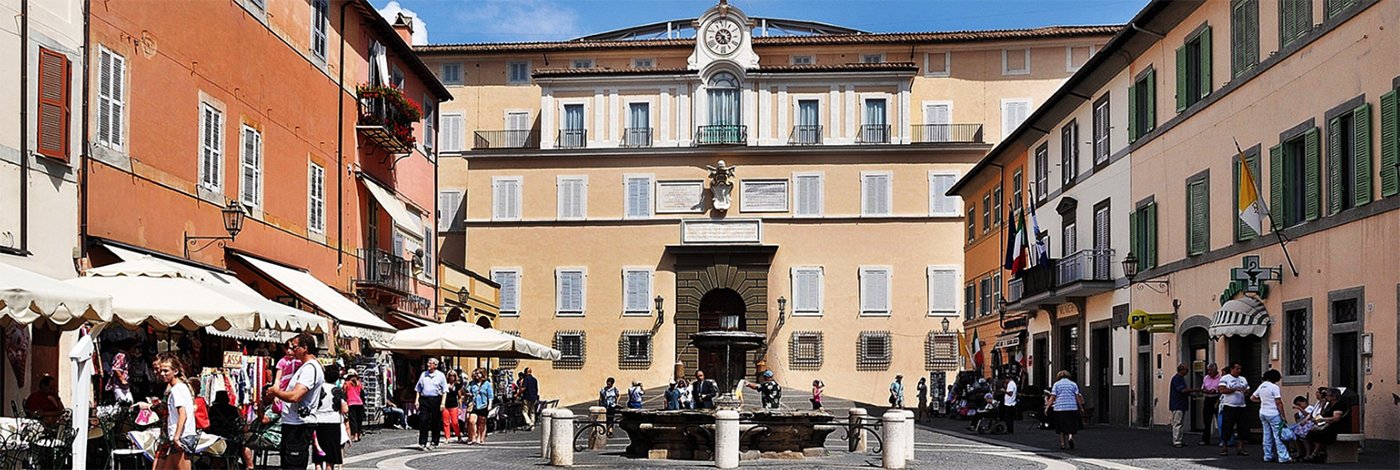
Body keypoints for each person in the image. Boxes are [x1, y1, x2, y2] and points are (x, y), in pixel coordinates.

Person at [268, 332, 324, 470]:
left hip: (298, 426)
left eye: (294, 347)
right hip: (294, 423)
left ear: (305, 348)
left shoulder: (309, 368)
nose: (292, 350)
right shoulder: (306, 367)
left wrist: (276, 392)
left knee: (293, 464)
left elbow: (295, 396)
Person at [153, 353, 197, 470]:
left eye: (166, 371)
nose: (162, 374)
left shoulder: (177, 389)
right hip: (180, 436)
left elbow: (183, 414)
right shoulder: (180, 387)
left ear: (175, 371)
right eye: (161, 371)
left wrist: (177, 437)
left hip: (182, 436)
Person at [1250, 369, 1291, 463]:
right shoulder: (1274, 387)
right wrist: (1283, 415)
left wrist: (1262, 401)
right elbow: (1278, 402)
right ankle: (1283, 457)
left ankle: (1268, 455)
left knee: (1267, 435)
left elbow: (1252, 398)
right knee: (1278, 435)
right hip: (1273, 413)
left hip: (1263, 412)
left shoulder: (1261, 386)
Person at [1301, 387, 1352, 462]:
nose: (1326, 397)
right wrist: (1322, 406)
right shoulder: (1329, 405)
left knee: (1321, 433)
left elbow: (1336, 418)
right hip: (1328, 424)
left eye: (1327, 395)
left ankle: (1315, 454)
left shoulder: (1340, 405)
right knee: (1311, 433)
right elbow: (1322, 414)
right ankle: (1315, 453)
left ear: (1333, 397)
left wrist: (1323, 419)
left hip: (1338, 426)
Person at [311, 364, 346, 470]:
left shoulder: (318, 389)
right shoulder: (338, 390)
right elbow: (345, 409)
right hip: (333, 421)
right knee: (331, 455)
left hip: (318, 420)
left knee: (318, 451)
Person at [1216, 362, 1250, 456]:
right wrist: (1234, 389)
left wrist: (1246, 392)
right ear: (1232, 369)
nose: (1239, 371)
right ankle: (1224, 448)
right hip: (1229, 406)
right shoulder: (1225, 378)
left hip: (1241, 406)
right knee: (1227, 427)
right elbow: (1222, 390)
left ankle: (1241, 448)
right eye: (1237, 369)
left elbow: (1248, 389)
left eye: (1240, 369)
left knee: (1242, 427)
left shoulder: (1243, 379)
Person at [414, 358, 447, 451]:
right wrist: (416, 400)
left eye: (430, 363)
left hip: (436, 400)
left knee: (435, 421)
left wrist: (443, 403)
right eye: (428, 362)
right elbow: (418, 389)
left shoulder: (440, 375)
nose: (428, 364)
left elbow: (444, 391)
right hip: (424, 400)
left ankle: (434, 441)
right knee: (423, 420)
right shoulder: (423, 374)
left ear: (435, 365)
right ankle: (422, 442)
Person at [1049, 370, 1083, 450]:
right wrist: (1081, 407)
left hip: (1059, 408)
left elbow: (1053, 397)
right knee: (1071, 424)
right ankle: (1070, 437)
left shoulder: (1056, 384)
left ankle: (1062, 444)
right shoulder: (1073, 384)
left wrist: (1047, 407)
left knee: (1061, 427)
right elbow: (1077, 397)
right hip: (1072, 407)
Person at [466, 368, 493, 445]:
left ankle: (480, 438)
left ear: (483, 374)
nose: (477, 375)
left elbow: (490, 396)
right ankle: (473, 437)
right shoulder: (472, 383)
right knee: (472, 421)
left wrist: (490, 404)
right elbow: (467, 391)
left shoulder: (487, 384)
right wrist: (468, 394)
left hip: (483, 405)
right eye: (476, 373)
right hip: (474, 405)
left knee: (481, 423)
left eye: (478, 373)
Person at [1197, 363, 1221, 446]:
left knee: (1220, 420)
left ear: (1215, 370)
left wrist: (1216, 390)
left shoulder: (1221, 378)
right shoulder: (1206, 378)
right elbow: (1202, 388)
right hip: (1207, 399)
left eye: (1211, 370)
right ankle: (1205, 440)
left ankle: (1223, 440)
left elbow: (1222, 389)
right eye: (1208, 370)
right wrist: (1205, 390)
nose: (1209, 372)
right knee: (1207, 421)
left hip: (1217, 399)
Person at [1169, 364, 1190, 447]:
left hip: (1180, 404)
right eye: (1186, 370)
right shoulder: (1177, 379)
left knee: (1180, 423)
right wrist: (1195, 390)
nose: (1187, 371)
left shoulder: (1180, 378)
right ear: (1182, 370)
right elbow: (1182, 390)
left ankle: (1179, 439)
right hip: (1177, 404)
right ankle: (1176, 440)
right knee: (1177, 423)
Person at [343, 368, 365, 442]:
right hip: (359, 402)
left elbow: (344, 393)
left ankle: (355, 435)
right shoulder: (359, 383)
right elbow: (361, 393)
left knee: (353, 420)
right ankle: (359, 434)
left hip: (351, 403)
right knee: (359, 420)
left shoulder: (346, 383)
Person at [442, 371, 462, 443]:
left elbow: (459, 397)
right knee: (446, 422)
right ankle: (447, 437)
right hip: (445, 406)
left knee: (454, 422)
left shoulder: (457, 385)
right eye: (450, 375)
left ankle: (458, 435)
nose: (452, 377)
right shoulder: (444, 384)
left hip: (454, 406)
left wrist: (460, 407)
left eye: (453, 375)